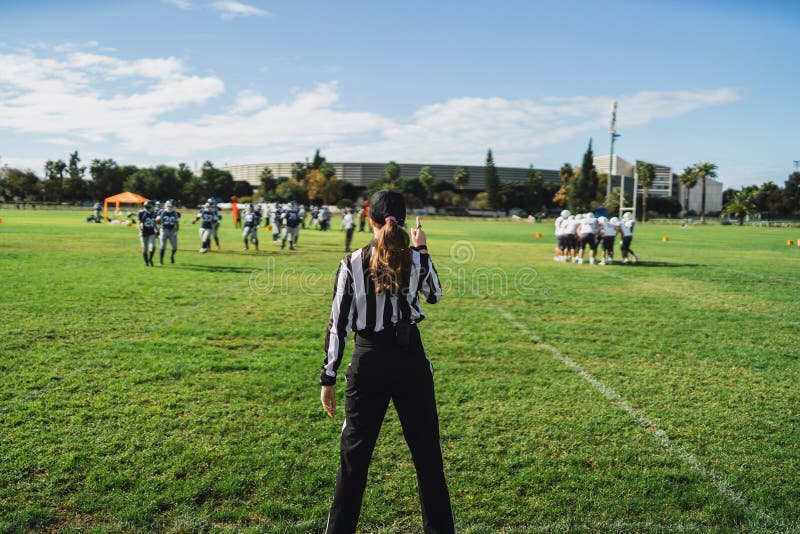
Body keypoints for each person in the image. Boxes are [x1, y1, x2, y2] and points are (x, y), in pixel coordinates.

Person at [320, 190, 454, 534]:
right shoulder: (416, 258)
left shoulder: (351, 262)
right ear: (407, 223)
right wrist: (422, 247)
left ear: (370, 220)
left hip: (369, 361)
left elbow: (339, 324)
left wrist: (328, 376)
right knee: (427, 457)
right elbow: (435, 295)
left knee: (354, 459)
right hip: (410, 360)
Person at [156, 200, 180, 264]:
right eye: (169, 205)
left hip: (172, 230)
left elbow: (177, 223)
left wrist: (176, 231)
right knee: (162, 246)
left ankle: (172, 256)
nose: (170, 207)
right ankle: (161, 261)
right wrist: (157, 227)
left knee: (175, 247)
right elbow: (156, 221)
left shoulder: (175, 213)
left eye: (171, 206)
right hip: (163, 230)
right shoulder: (161, 211)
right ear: (166, 205)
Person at [137, 200, 158, 266]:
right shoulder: (141, 213)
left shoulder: (154, 213)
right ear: (150, 206)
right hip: (144, 232)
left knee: (153, 246)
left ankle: (150, 259)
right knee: (145, 248)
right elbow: (139, 223)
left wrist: (156, 230)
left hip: (151, 232)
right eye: (153, 206)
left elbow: (154, 223)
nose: (154, 207)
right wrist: (140, 230)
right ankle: (146, 262)